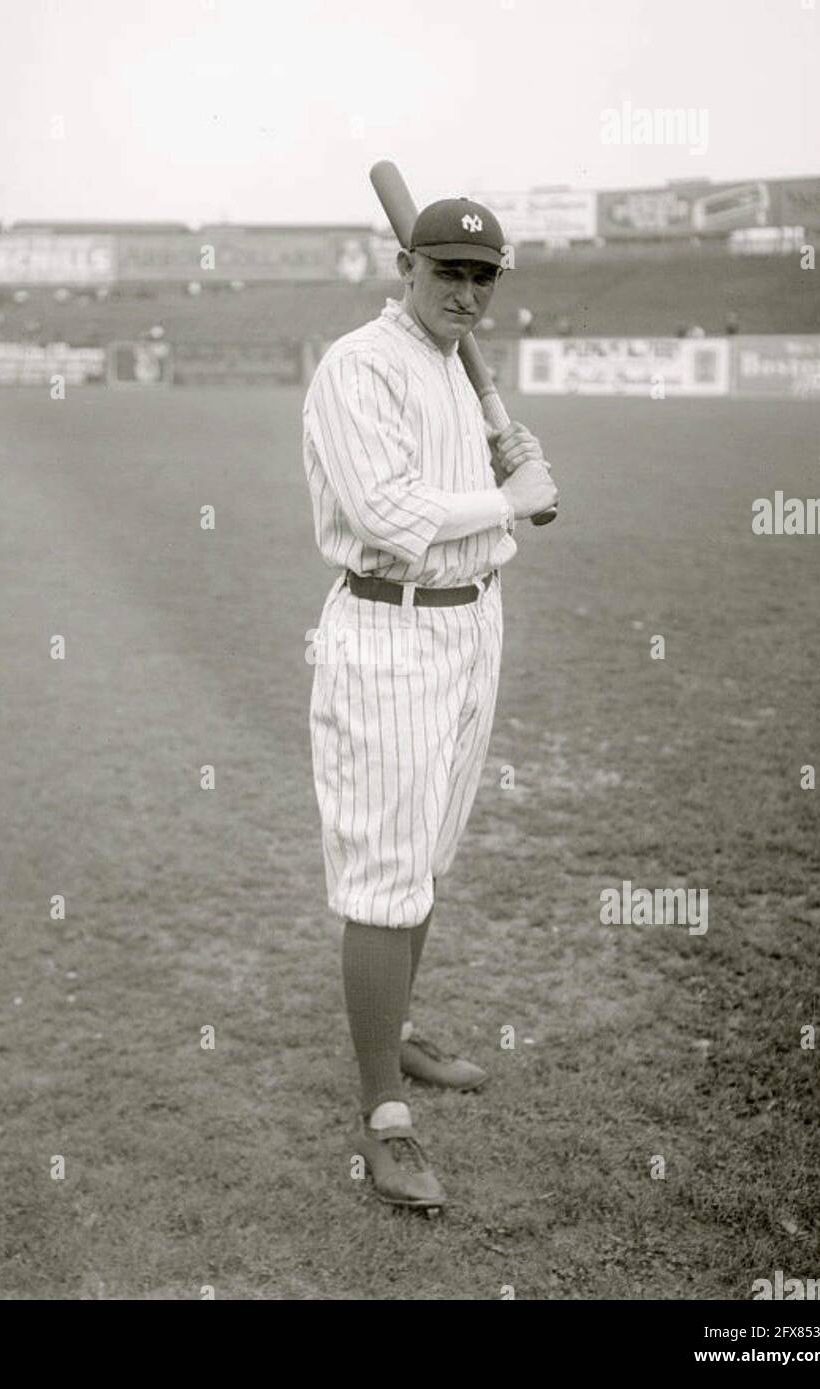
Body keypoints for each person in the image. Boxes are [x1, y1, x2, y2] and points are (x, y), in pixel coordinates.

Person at [302, 198, 558, 1211]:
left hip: (472, 621)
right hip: (386, 624)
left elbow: (465, 492)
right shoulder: (356, 365)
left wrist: (506, 462)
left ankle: (393, 1028)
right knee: (383, 871)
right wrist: (510, 497)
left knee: (429, 855)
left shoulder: (457, 363)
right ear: (404, 264)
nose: (463, 291)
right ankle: (381, 1115)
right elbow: (386, 512)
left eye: (481, 276)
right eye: (444, 270)